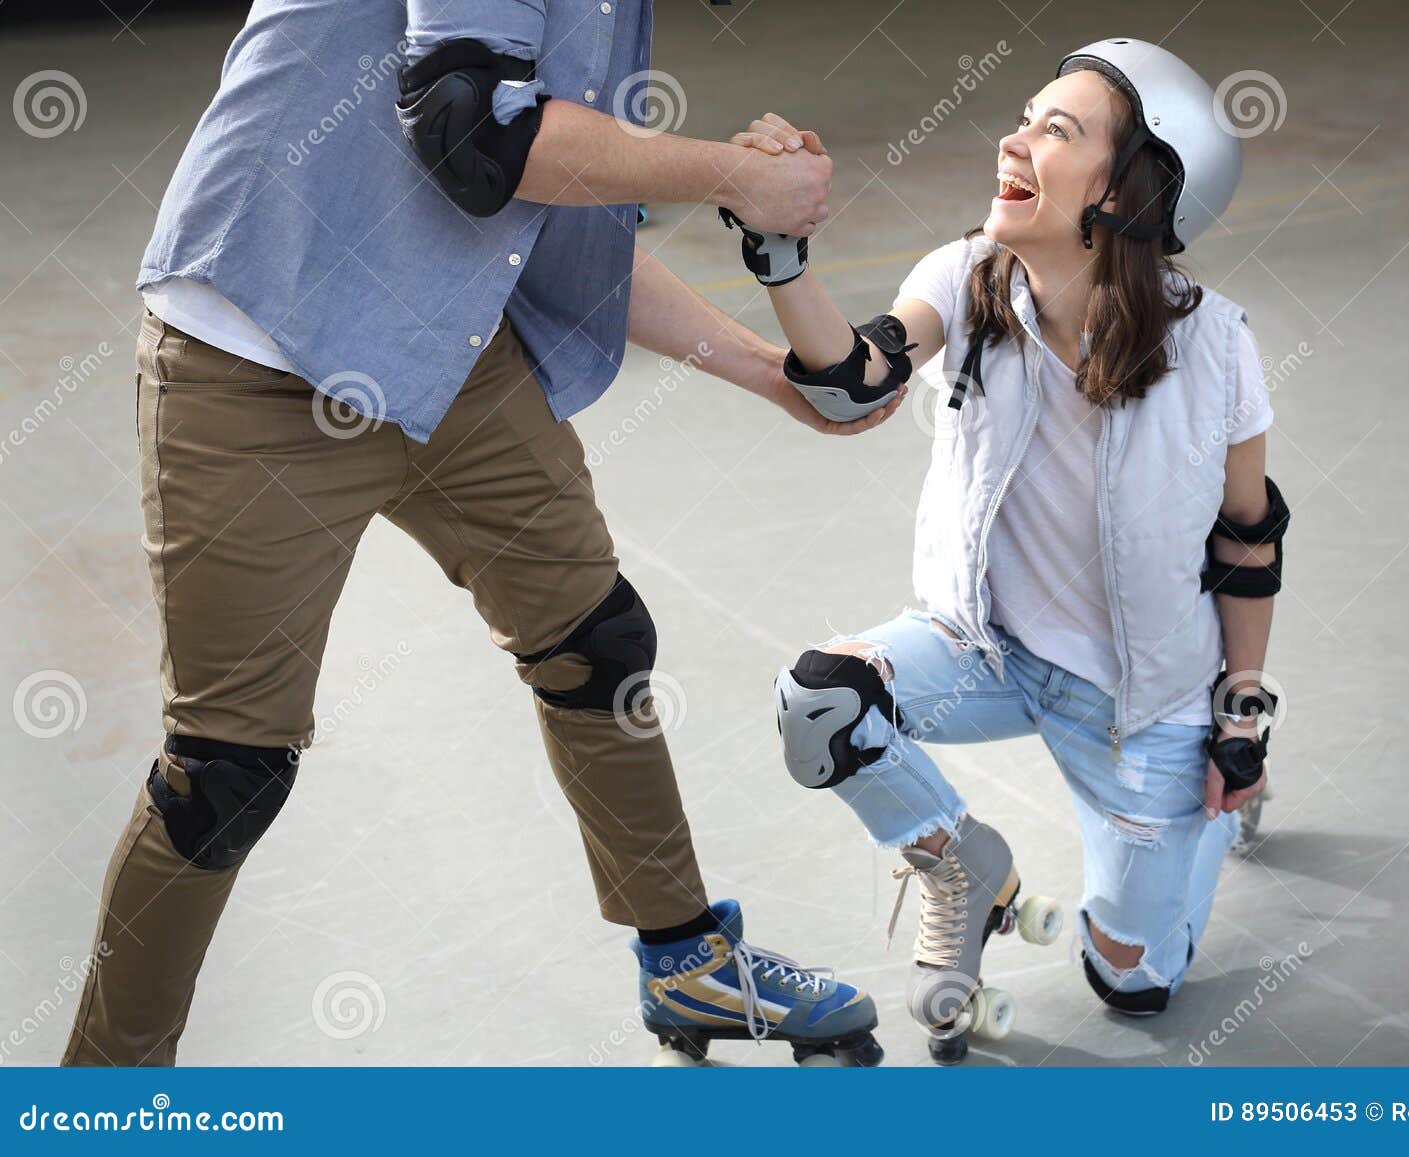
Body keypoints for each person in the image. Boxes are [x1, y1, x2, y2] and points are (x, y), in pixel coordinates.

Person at [62, 0, 903, 1068]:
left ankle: (686, 962)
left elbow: (556, 213)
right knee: (224, 773)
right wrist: (729, 175)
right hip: (257, 350)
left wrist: (769, 374)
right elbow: (473, 129)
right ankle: (104, 1094)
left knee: (593, 642)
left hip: (444, 353)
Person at [726, 40, 1288, 1063]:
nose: (1012, 139)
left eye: (1055, 131)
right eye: (1025, 116)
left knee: (1132, 982)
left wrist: (1239, 704)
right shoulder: (968, 277)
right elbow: (853, 375)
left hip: (1138, 702)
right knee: (822, 700)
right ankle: (960, 867)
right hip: (977, 646)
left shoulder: (1216, 347)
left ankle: (1200, 825)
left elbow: (1246, 541)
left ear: (1132, 189)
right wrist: (780, 259)